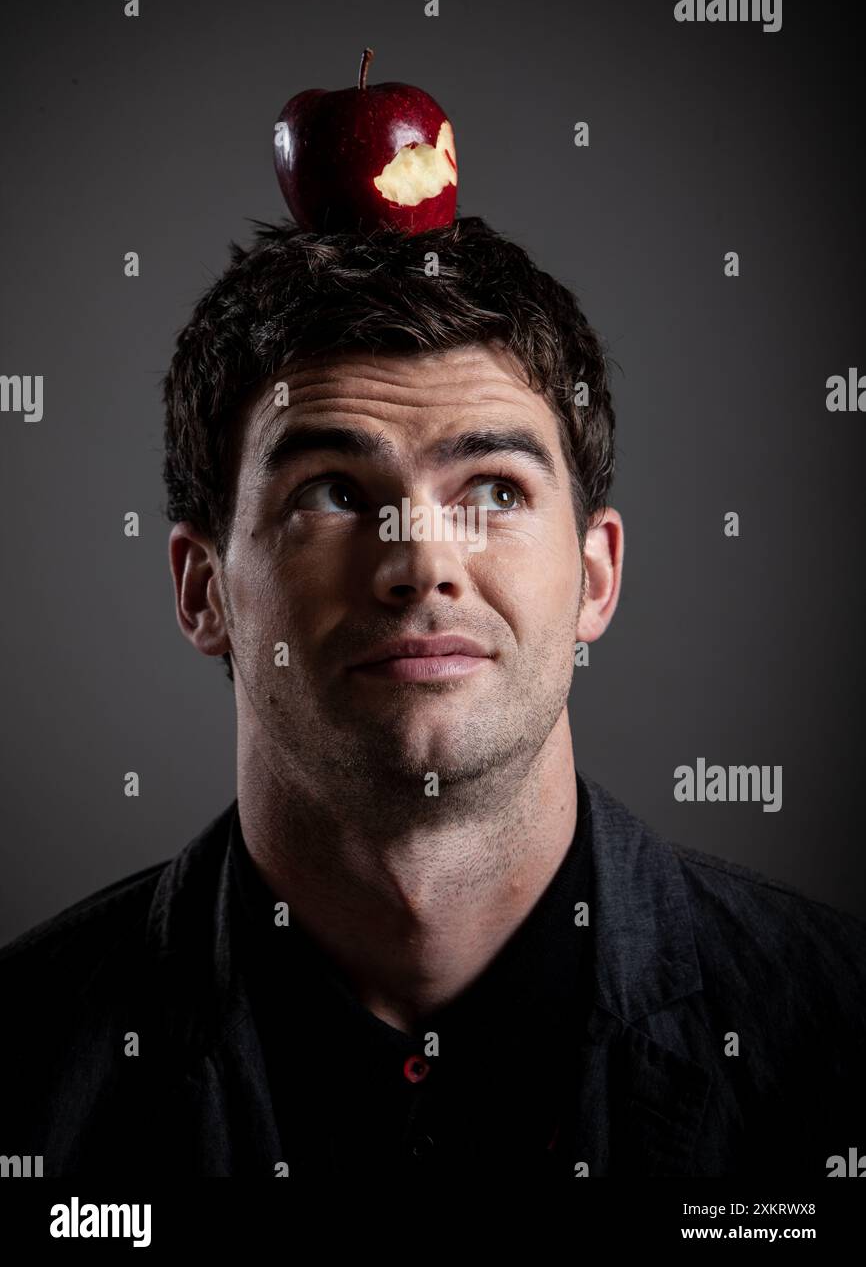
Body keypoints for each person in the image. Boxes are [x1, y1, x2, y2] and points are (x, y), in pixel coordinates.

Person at [1, 216, 863, 1180]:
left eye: (494, 491)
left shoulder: (838, 1036)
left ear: (597, 577)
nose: (422, 564)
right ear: (204, 590)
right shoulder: (21, 1069)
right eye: (332, 492)